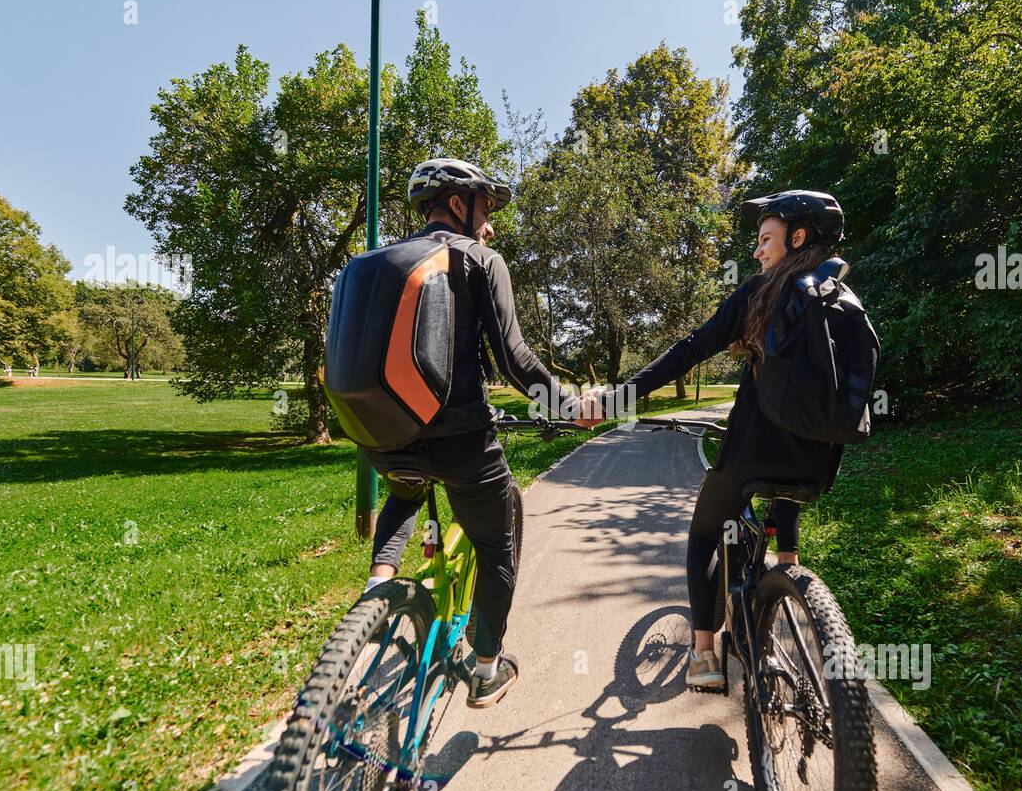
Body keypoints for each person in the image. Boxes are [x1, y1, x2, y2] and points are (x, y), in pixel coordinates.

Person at [356, 158, 600, 708]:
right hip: (463, 439)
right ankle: (487, 667)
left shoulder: (379, 261)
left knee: (404, 488)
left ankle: (376, 592)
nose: (489, 225)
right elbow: (514, 359)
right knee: (497, 543)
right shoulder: (479, 260)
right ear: (460, 204)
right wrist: (566, 404)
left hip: (382, 435)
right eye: (486, 209)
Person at [596, 190, 847, 689]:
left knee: (705, 534)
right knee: (783, 489)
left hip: (752, 450)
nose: (757, 251)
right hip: (819, 459)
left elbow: (692, 347)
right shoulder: (839, 297)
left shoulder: (761, 291)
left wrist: (616, 398)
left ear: (797, 238)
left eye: (765, 239)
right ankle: (788, 587)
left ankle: (705, 656)